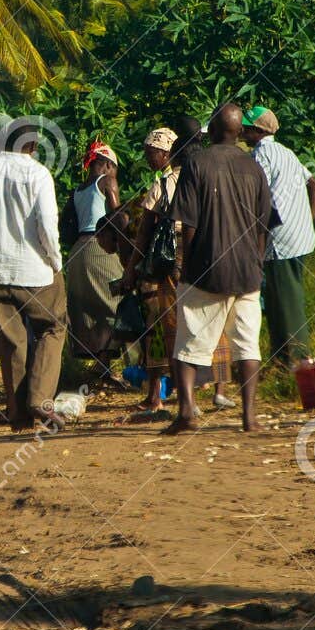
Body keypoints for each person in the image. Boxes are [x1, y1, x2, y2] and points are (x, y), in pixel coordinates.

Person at [165, 103, 273, 434]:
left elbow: (189, 223)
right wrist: (256, 263)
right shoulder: (254, 168)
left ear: (211, 131)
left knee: (188, 343)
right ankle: (249, 417)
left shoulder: (196, 162)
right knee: (247, 345)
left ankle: (187, 415)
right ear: (240, 132)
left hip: (206, 267)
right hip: (247, 271)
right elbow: (262, 227)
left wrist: (186, 265)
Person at [0, 113, 68, 432]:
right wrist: (56, 262)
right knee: (53, 326)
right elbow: (47, 225)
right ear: (30, 145)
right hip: (34, 270)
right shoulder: (38, 174)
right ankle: (40, 399)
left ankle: (18, 415)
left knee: (12, 341)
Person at [241, 106, 315, 366]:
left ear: (258, 131)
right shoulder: (286, 152)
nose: (242, 131)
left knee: (285, 300)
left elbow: (255, 196)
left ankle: (295, 359)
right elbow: (313, 184)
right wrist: (309, 216)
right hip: (300, 234)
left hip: (279, 238)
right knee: (283, 295)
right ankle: (283, 356)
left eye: (246, 127)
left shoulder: (260, 156)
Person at [122, 126, 182, 417]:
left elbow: (144, 232)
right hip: (194, 262)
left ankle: (154, 396)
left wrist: (132, 269)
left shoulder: (164, 185)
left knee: (158, 326)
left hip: (165, 265)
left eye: (152, 153)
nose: (148, 158)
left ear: (167, 153)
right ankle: (210, 391)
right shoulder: (198, 179)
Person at [63, 142, 124, 386]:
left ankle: (102, 366)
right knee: (118, 302)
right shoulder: (107, 182)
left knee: (89, 308)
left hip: (78, 251)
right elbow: (117, 217)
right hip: (100, 246)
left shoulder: (78, 190)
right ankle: (137, 366)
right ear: (108, 165)